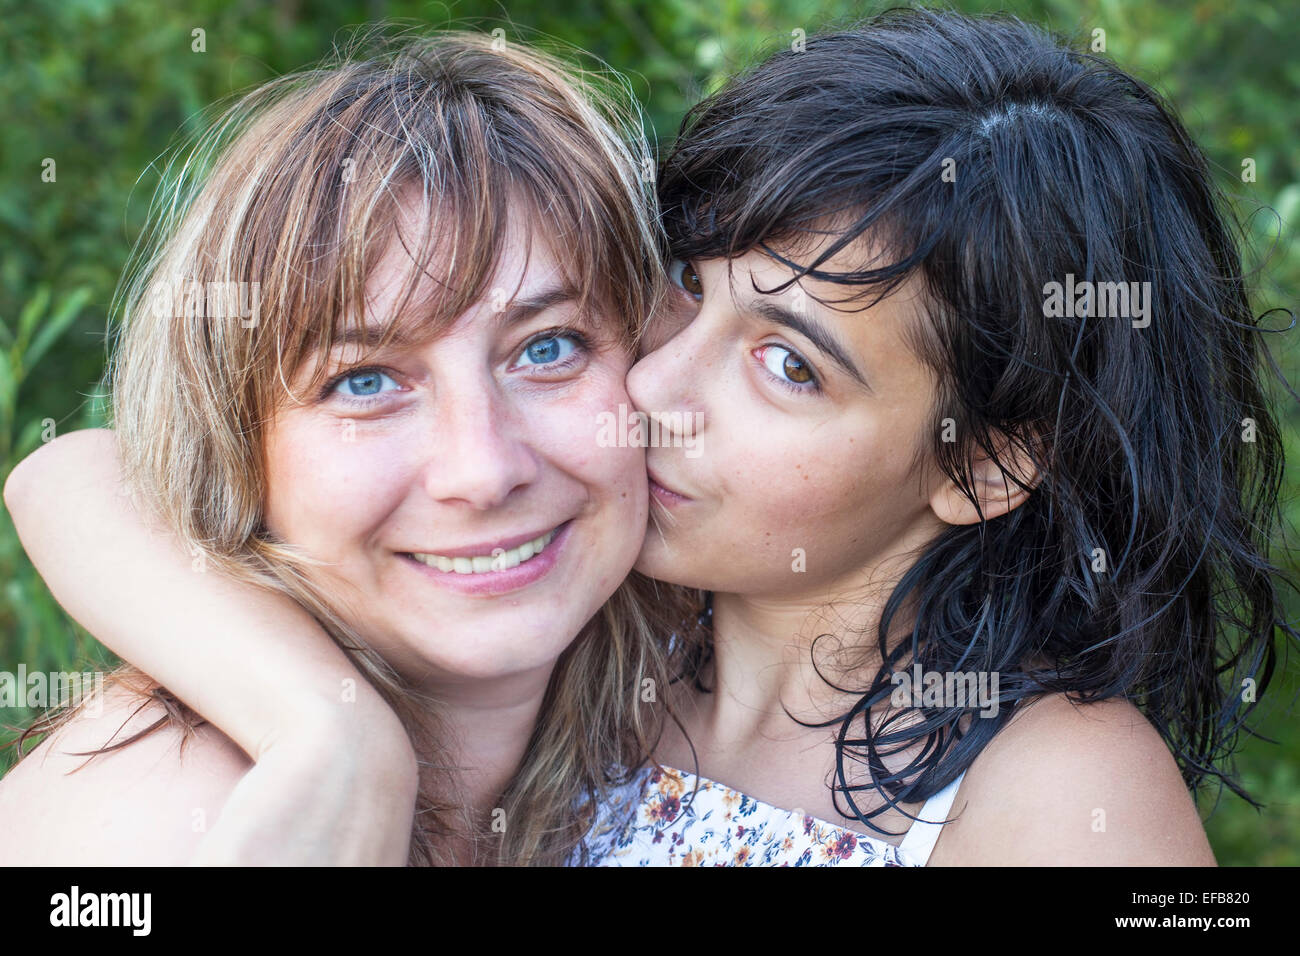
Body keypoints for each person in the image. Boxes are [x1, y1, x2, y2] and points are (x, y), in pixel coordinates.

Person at [8, 9, 1290, 865]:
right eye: (683, 287)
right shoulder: (605, 625)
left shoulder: (1047, 785)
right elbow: (80, 471)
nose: (657, 386)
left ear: (982, 459)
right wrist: (329, 728)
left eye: (786, 364)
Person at [0, 29, 681, 866]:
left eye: (548, 348)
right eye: (364, 381)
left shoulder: (689, 694)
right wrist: (338, 738)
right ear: (235, 445)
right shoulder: (170, 816)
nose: (484, 470)